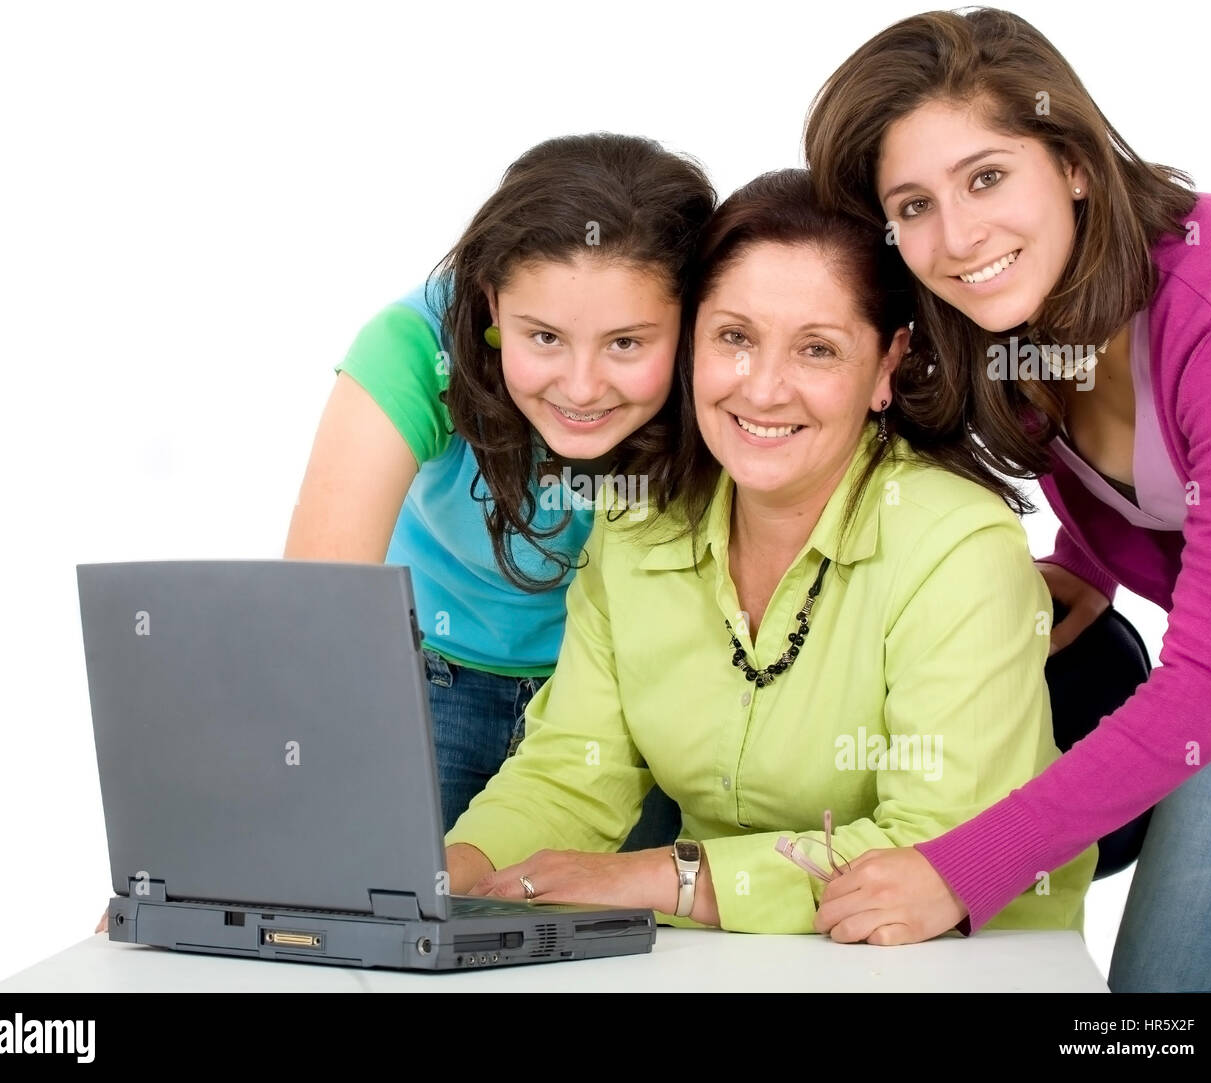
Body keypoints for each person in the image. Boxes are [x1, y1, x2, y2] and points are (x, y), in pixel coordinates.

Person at [444, 169, 1096, 934]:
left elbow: (933, 846)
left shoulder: (958, 548)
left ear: (887, 364)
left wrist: (666, 876)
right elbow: (569, 773)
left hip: (952, 964)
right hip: (743, 961)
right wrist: (448, 872)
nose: (762, 389)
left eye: (817, 350)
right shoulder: (637, 528)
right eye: (735, 337)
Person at [802, 7, 1211, 990]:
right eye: (911, 205)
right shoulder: (1010, 327)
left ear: (1074, 163)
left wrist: (960, 872)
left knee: (1151, 1005)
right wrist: (1087, 564)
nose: (956, 237)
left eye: (987, 176)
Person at [285, 133, 714, 845]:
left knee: (628, 942)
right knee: (383, 897)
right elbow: (313, 615)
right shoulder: (414, 346)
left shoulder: (724, 369)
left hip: (616, 697)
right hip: (433, 677)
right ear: (489, 302)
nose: (581, 387)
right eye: (543, 337)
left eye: (627, 343)